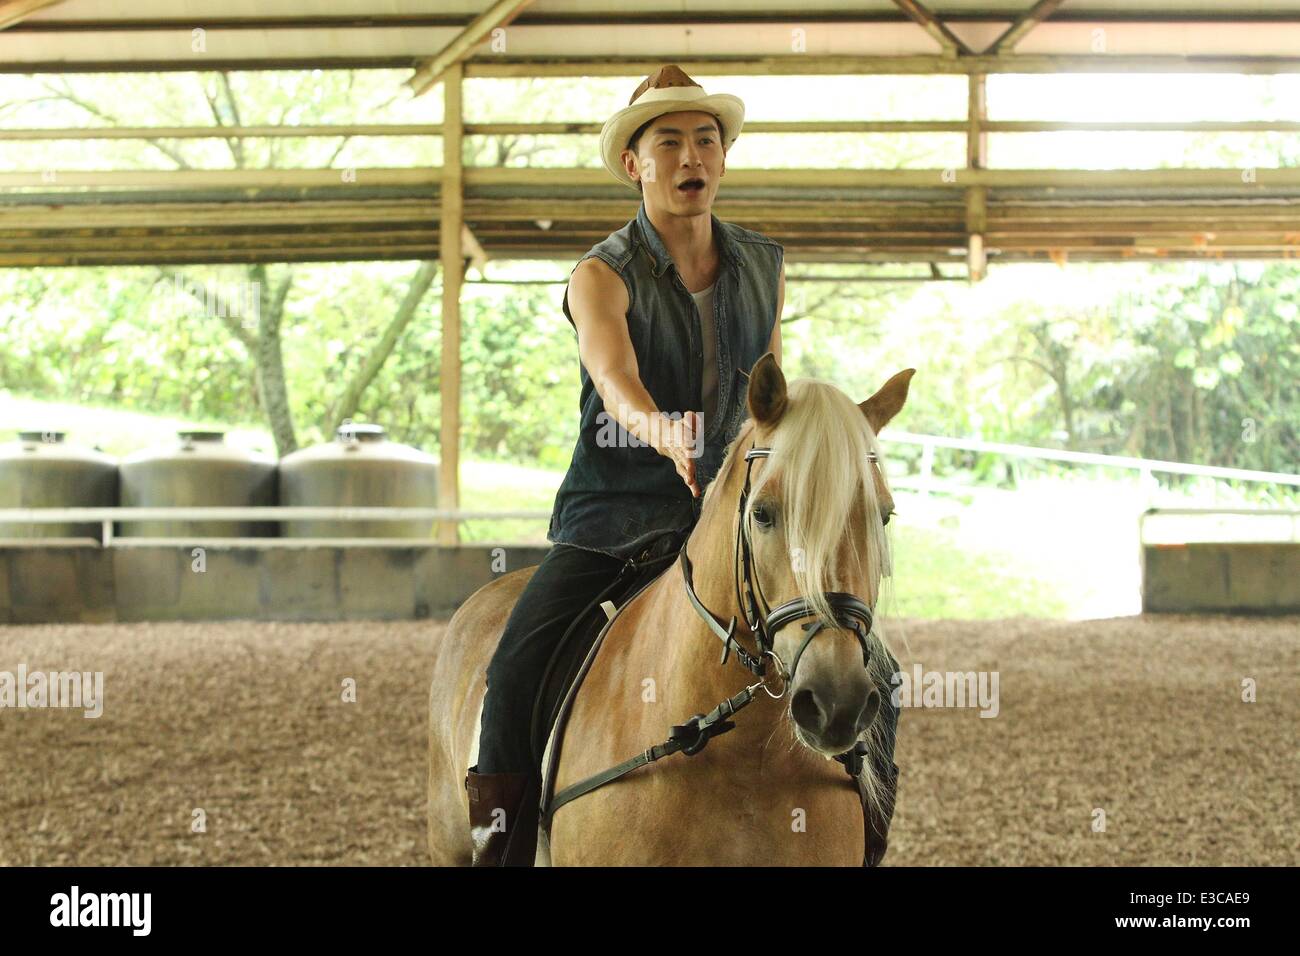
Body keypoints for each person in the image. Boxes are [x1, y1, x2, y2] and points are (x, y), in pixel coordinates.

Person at [466, 64, 783, 867]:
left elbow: (769, 394)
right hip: (614, 517)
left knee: (857, 653)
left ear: (723, 158)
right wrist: (664, 432)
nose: (691, 156)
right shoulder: (599, 273)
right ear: (633, 165)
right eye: (669, 141)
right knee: (515, 669)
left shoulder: (764, 265)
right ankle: (503, 852)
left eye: (706, 140)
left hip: (733, 516)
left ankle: (863, 824)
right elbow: (614, 381)